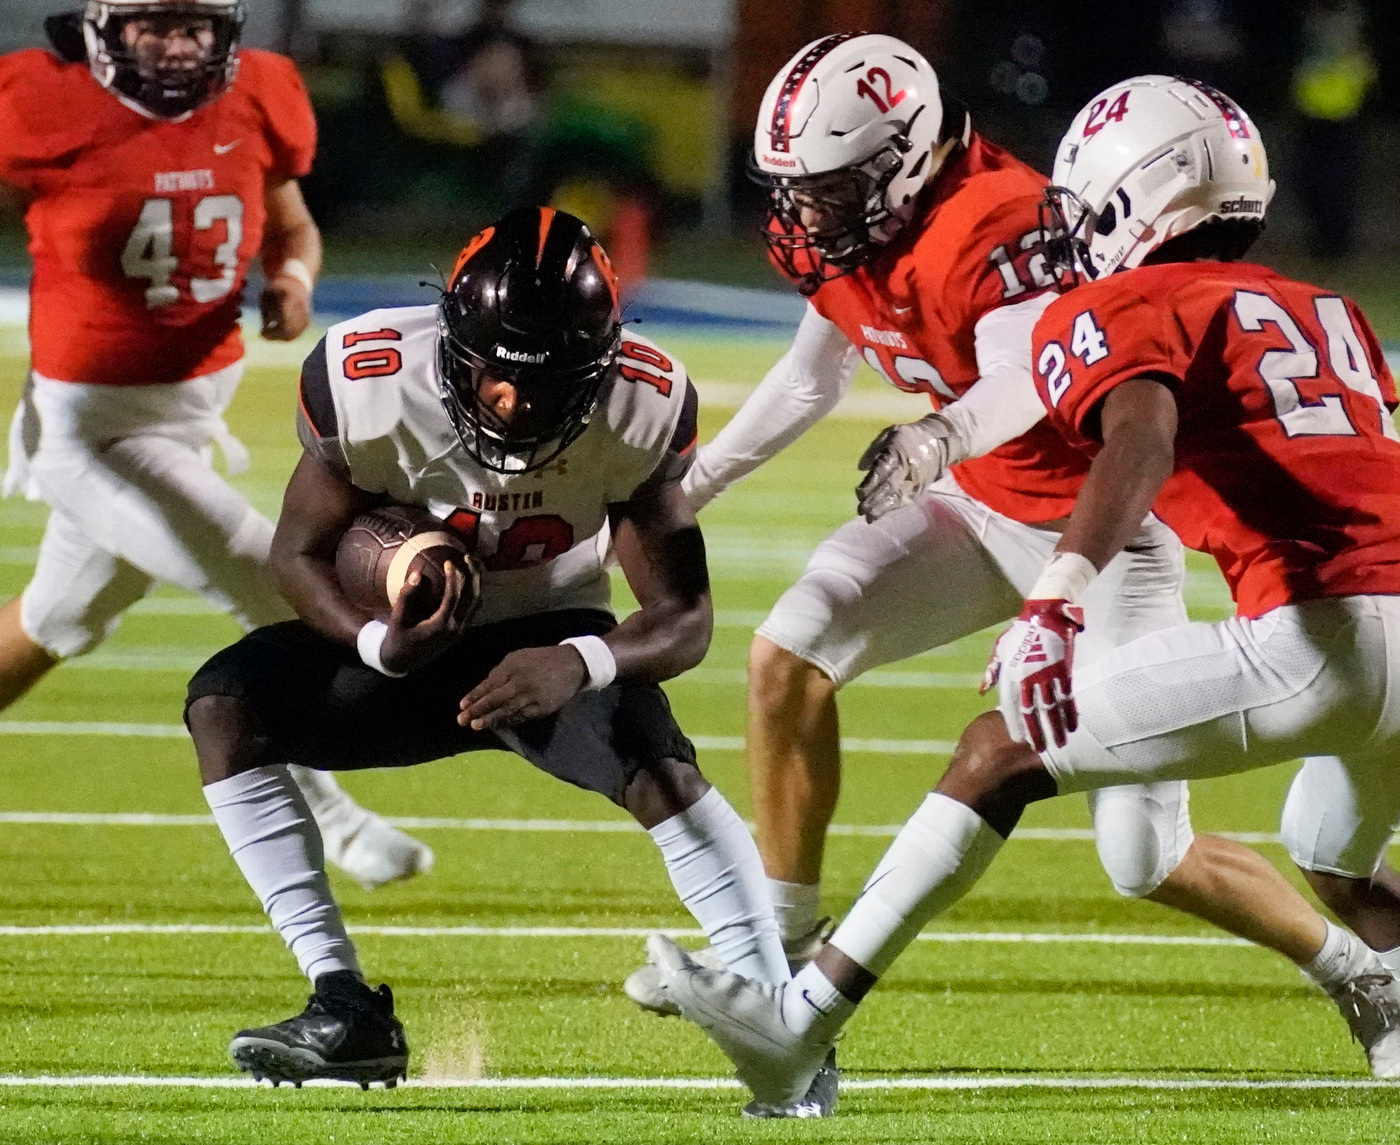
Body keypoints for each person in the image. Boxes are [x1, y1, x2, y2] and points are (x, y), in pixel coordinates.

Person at [650, 75, 1400, 1105]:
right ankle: (1379, 993)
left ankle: (794, 1023)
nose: (1070, 226)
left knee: (998, 752)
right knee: (1333, 861)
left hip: (1315, 637)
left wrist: (1053, 598)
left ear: (1134, 196)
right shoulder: (1331, 309)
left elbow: (1135, 436)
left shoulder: (1122, 298)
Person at [182, 207, 806, 1101]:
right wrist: (378, 641)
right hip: (408, 640)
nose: (514, 404)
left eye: (549, 385)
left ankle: (783, 1023)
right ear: (451, 345)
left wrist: (581, 662)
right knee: (225, 705)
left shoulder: (640, 401)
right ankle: (342, 1003)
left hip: (552, 633)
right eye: (494, 379)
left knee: (657, 767)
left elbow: (684, 616)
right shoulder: (369, 377)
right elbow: (298, 553)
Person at [0, 1, 433, 891]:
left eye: (195, 24)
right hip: (90, 431)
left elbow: (292, 225)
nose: (178, 43)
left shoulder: (260, 95)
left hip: (190, 418)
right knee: (269, 576)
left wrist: (295, 277)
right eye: (154, 24)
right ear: (102, 28)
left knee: (55, 619)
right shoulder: (43, 101)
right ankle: (338, 819)